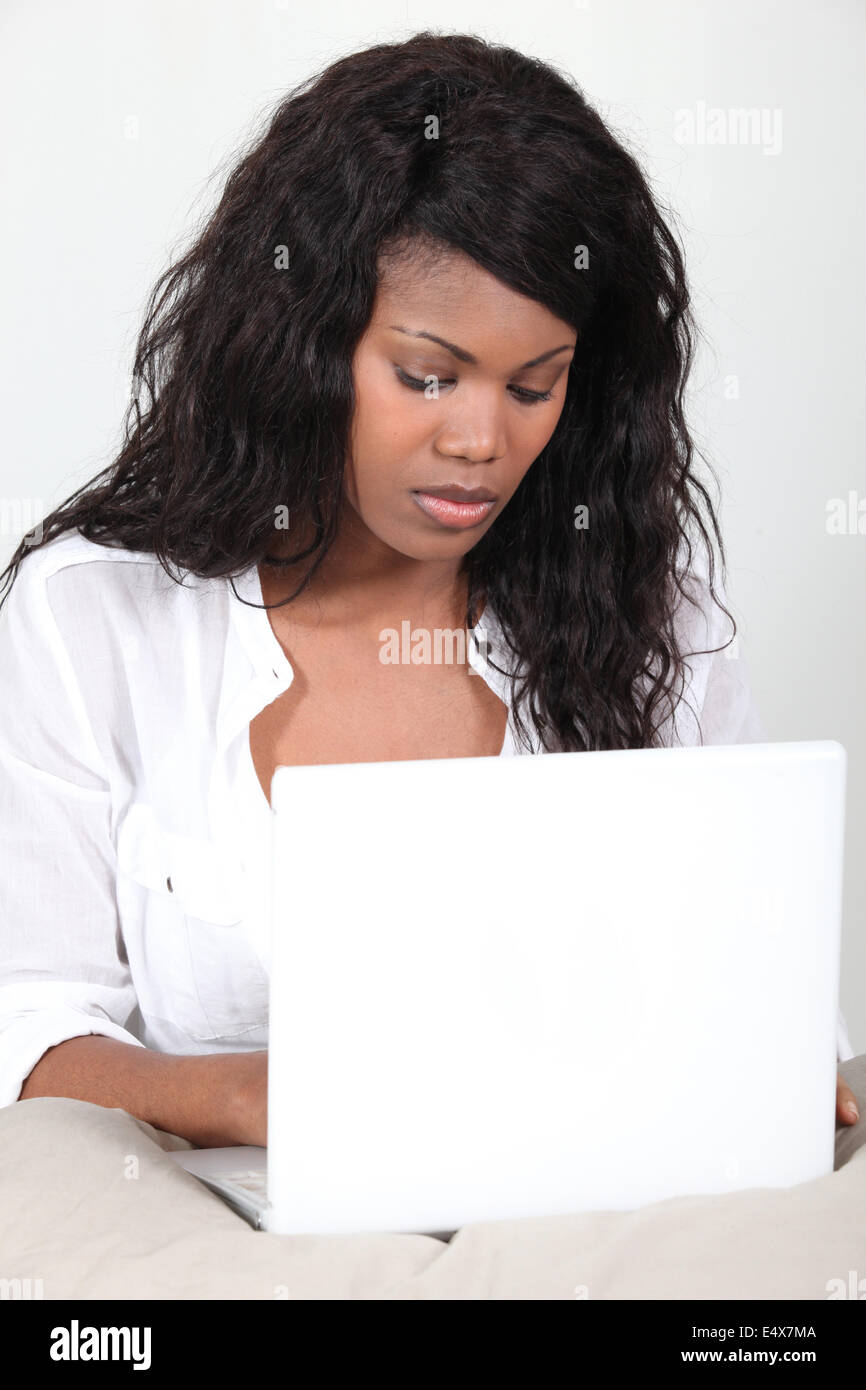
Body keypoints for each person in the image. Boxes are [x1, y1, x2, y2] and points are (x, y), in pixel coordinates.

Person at [0, 31, 857, 1146]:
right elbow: (26, 1029)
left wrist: (801, 1063)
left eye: (533, 385)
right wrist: (258, 1099)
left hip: (592, 1218)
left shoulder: (649, 615)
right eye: (426, 375)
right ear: (300, 343)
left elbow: (768, 1004)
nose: (479, 441)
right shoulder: (93, 620)